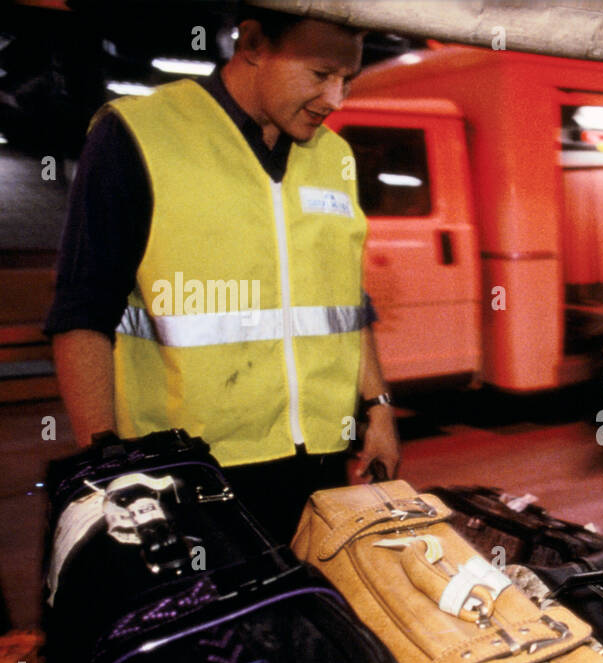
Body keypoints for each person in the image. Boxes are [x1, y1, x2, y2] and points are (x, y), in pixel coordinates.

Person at [44, 5, 399, 543]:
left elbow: (348, 300)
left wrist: (378, 408)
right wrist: (106, 468)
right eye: (321, 74)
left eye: (348, 78)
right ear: (253, 43)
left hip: (321, 465)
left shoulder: (336, 157)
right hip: (187, 473)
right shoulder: (138, 136)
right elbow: (82, 313)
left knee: (309, 619)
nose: (337, 99)